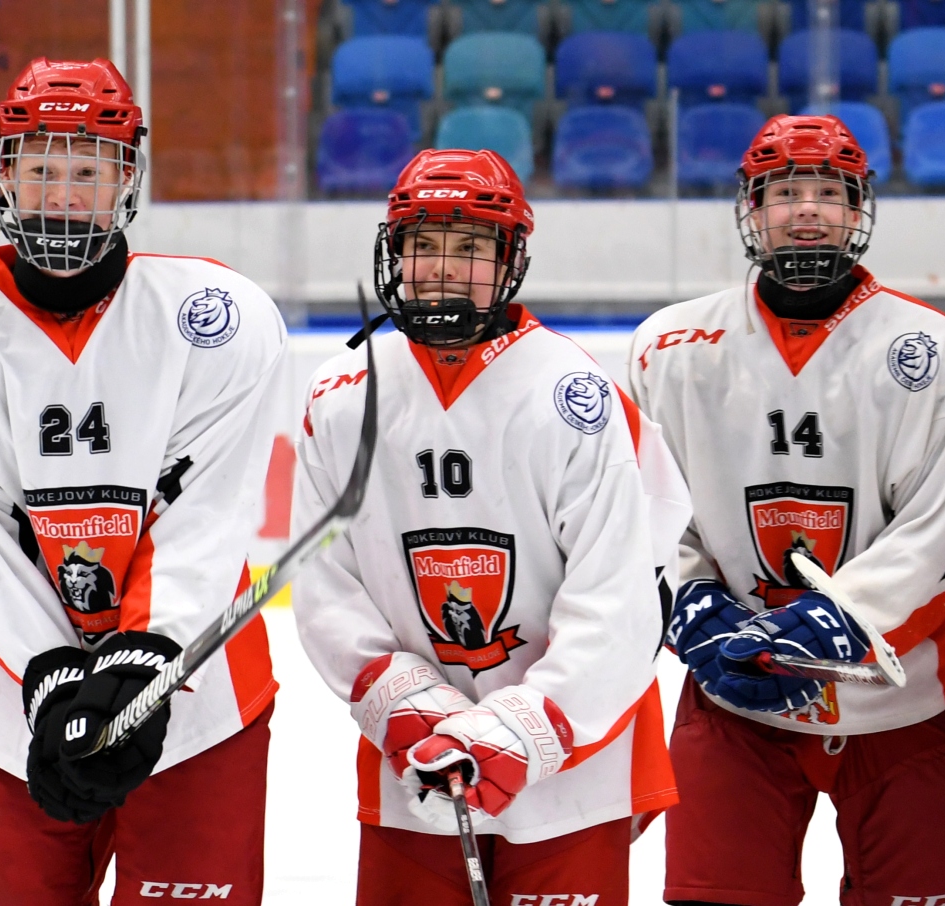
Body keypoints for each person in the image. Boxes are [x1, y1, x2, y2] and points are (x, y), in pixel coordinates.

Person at [0, 58, 284, 903]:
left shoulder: (215, 319)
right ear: (4, 177)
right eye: (41, 170)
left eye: (88, 171)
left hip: (199, 704)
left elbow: (205, 517)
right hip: (20, 712)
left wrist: (145, 659)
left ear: (126, 180)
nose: (64, 195)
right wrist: (50, 675)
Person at [292, 148, 691, 904]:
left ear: (510, 260)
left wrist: (515, 733)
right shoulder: (341, 395)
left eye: (471, 246)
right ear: (395, 252)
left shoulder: (574, 396)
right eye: (424, 243)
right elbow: (325, 585)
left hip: (571, 768)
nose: (443, 267)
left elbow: (624, 597)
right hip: (416, 765)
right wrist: (411, 710)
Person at [627, 115, 945, 906]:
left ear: (858, 210)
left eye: (828, 193)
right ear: (751, 210)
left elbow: (940, 524)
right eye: (784, 193)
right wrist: (692, 602)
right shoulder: (670, 347)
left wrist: (839, 619)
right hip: (734, 696)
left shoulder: (926, 346)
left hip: (906, 701)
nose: (805, 210)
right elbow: (652, 512)